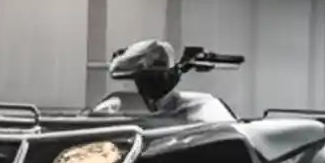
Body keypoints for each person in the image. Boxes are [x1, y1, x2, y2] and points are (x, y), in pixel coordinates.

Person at [91, 38, 235, 124]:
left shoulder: (201, 109)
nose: (155, 78)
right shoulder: (116, 108)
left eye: (160, 66)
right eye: (146, 75)